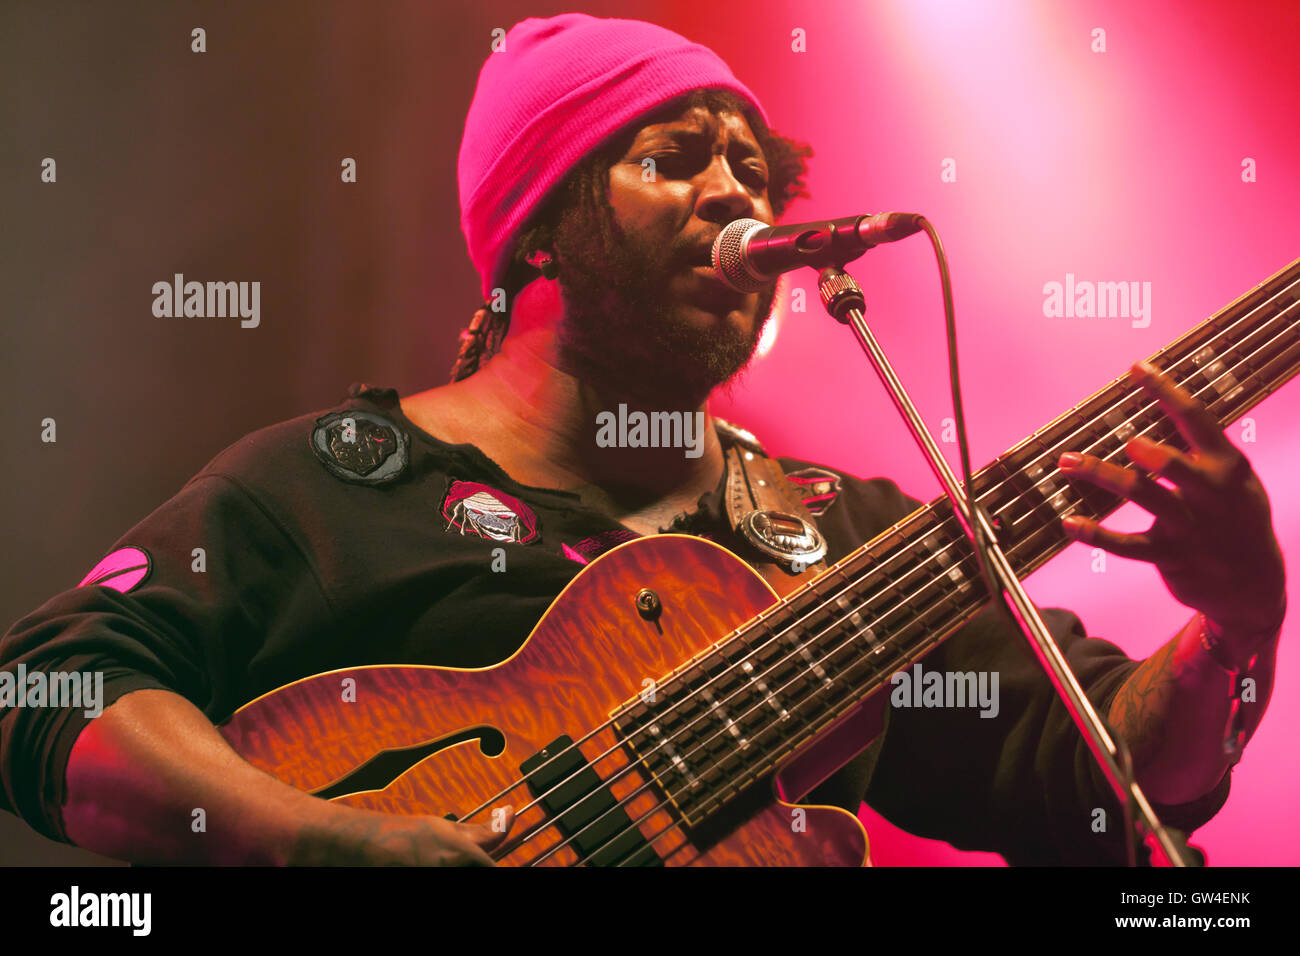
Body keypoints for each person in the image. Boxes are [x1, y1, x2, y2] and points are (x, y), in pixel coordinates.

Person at [0, 13, 1286, 867]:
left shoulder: (850, 537)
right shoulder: (335, 483)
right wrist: (303, 839)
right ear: (539, 226)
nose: (736, 192)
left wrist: (1235, 626)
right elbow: (42, 689)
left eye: (751, 168)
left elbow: (1113, 783)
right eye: (677, 157)